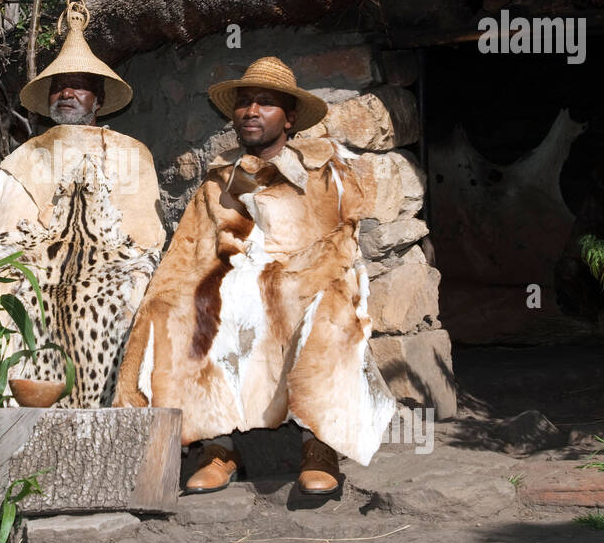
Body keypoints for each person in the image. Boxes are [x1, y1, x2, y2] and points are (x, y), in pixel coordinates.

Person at [113, 56, 397, 494]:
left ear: (291, 118)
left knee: (328, 306)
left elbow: (343, 239)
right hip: (232, 281)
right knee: (175, 308)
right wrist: (179, 292)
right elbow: (190, 248)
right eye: (245, 103)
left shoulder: (323, 169)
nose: (251, 112)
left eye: (266, 103)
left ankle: (320, 444)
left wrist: (295, 277)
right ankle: (218, 446)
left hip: (305, 278)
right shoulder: (219, 179)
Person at [0, 0, 165, 408]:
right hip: (37, 277)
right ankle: (22, 414)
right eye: (59, 85)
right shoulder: (24, 158)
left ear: (98, 101)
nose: (67, 92)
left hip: (109, 276)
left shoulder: (131, 153)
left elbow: (146, 237)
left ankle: (118, 409)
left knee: (139, 292)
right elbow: (5, 238)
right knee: (4, 295)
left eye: (79, 86)